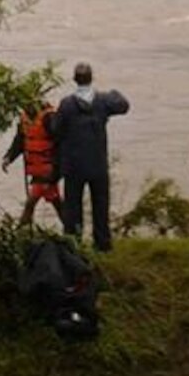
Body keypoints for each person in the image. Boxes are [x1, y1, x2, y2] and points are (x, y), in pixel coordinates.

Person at [50, 63, 130, 252]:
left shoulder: (67, 104)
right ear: (91, 78)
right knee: (101, 205)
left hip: (74, 164)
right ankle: (102, 244)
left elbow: (55, 130)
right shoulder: (103, 101)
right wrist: (112, 92)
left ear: (74, 79)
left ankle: (73, 245)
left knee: (73, 207)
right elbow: (124, 105)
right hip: (98, 163)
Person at [1, 99, 64, 227]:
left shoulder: (49, 118)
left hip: (48, 171)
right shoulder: (24, 119)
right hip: (37, 170)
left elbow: (60, 143)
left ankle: (20, 234)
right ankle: (73, 231)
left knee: (30, 203)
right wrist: (8, 158)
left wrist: (57, 171)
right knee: (57, 203)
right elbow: (20, 141)